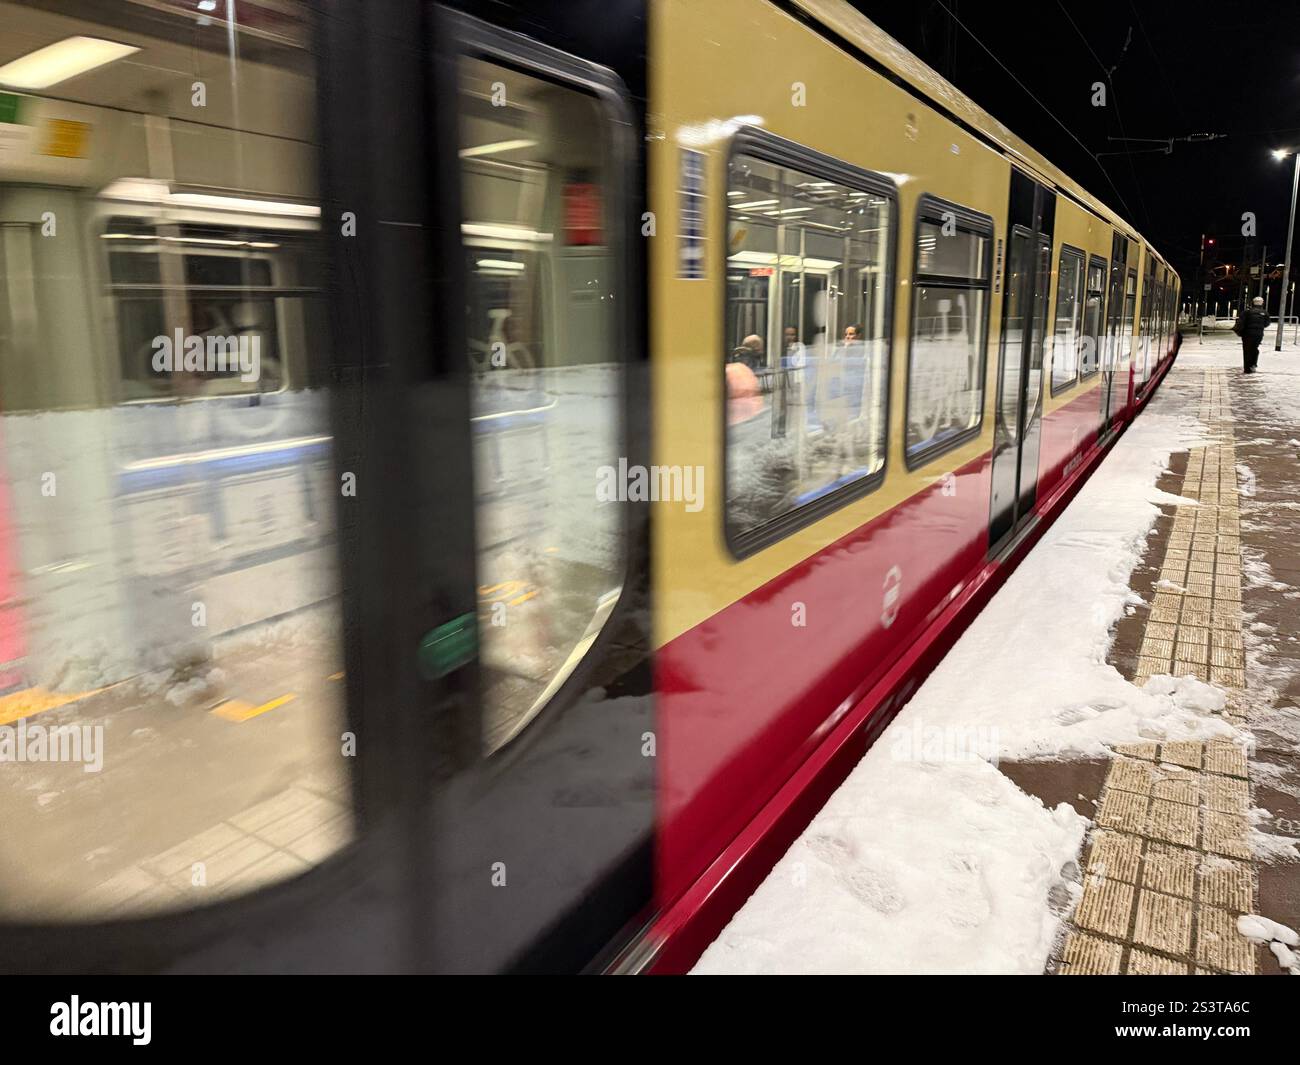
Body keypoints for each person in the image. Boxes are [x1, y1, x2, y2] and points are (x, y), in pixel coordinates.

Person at [1233, 296, 1268, 374]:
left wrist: (1240, 331)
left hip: (1247, 334)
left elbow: (1240, 323)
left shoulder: (1247, 312)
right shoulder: (1265, 313)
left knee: (1247, 350)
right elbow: (1267, 323)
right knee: (1254, 348)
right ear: (1262, 303)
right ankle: (1253, 364)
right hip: (1258, 334)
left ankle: (1247, 368)